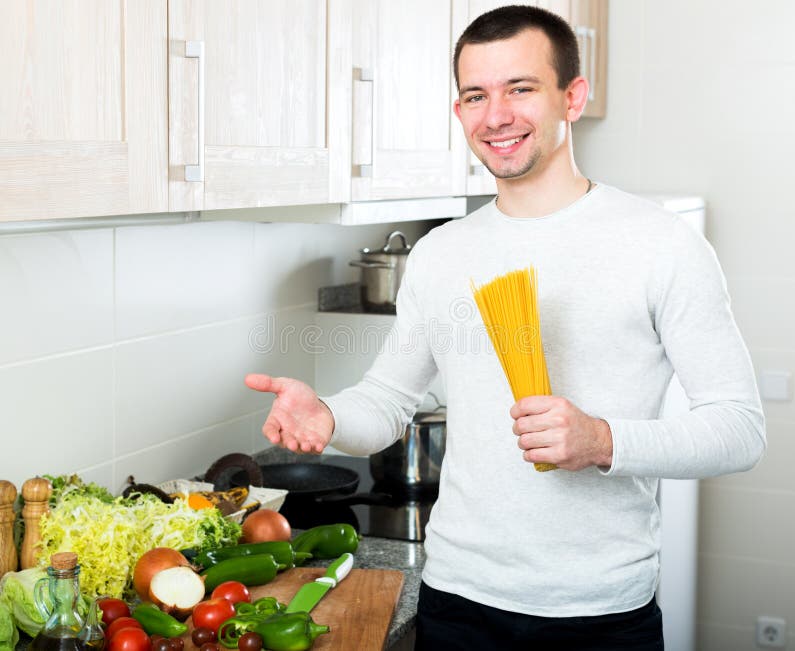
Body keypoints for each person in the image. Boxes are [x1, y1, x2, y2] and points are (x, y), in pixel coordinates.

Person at [246, 5, 766, 650]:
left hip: (599, 612)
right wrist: (327, 416)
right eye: (475, 94)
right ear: (460, 110)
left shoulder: (661, 245)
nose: (496, 115)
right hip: (458, 599)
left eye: (520, 88)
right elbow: (387, 401)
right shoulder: (442, 253)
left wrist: (602, 441)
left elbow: (739, 429)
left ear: (571, 97)